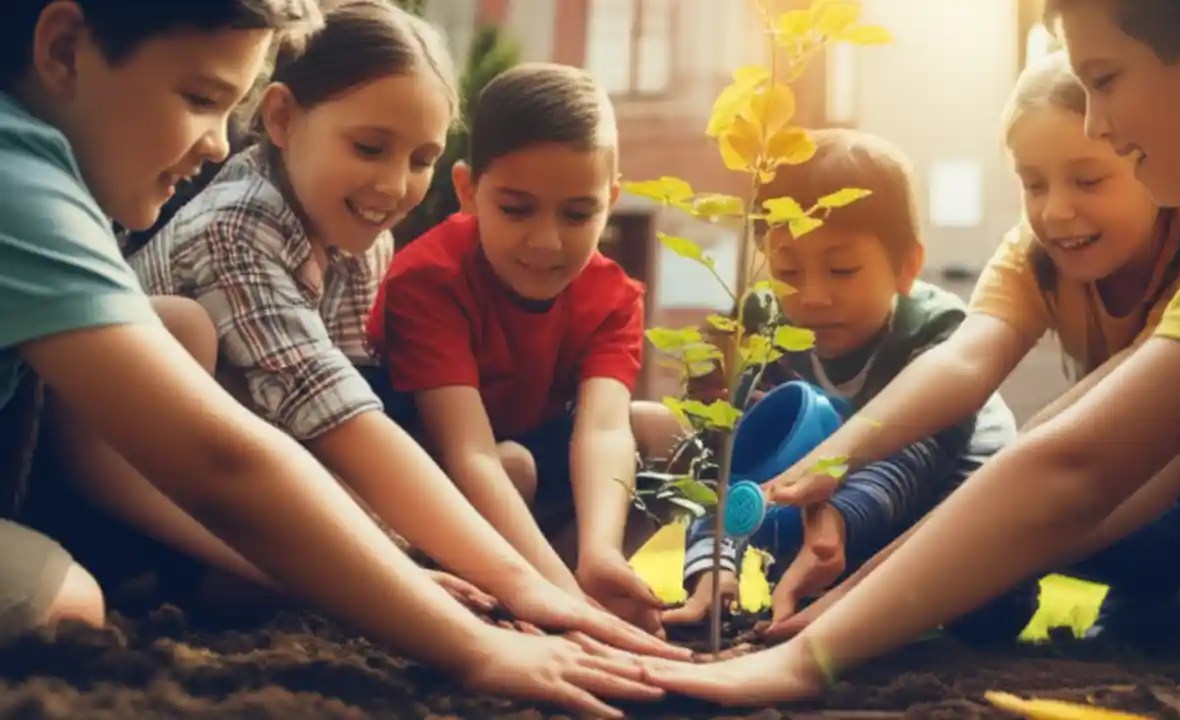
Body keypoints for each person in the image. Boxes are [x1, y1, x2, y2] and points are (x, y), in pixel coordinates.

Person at [0, 2, 679, 716]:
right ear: (65, 46)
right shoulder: (42, 188)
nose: (216, 145)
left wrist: (415, 568)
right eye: (200, 100)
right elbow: (234, 455)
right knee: (70, 599)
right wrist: (485, 627)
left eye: (420, 158)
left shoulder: (353, 242)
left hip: (205, 480)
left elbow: (347, 417)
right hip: (140, 502)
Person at [639, 0, 1180, 702]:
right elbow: (1086, 452)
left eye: (1105, 79)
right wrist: (849, 502)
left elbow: (1085, 467)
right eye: (1033, 183)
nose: (1100, 122)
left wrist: (811, 656)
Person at [368, 62, 681, 635]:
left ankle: (588, 583)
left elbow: (605, 430)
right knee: (513, 465)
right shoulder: (430, 279)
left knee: (664, 432)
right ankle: (534, 596)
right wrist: (564, 603)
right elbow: (470, 453)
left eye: (577, 214)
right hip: (439, 487)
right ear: (467, 190)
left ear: (610, 200)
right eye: (516, 209)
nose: (546, 241)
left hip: (541, 467)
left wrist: (602, 552)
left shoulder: (612, 296)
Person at [661, 129, 1015, 627]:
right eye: (787, 271)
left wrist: (839, 522)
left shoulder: (937, 333)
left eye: (842, 269)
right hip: (831, 512)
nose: (813, 296)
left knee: (986, 615)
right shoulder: (766, 333)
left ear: (906, 266)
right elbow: (730, 458)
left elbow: (915, 461)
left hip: (955, 512)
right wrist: (713, 563)